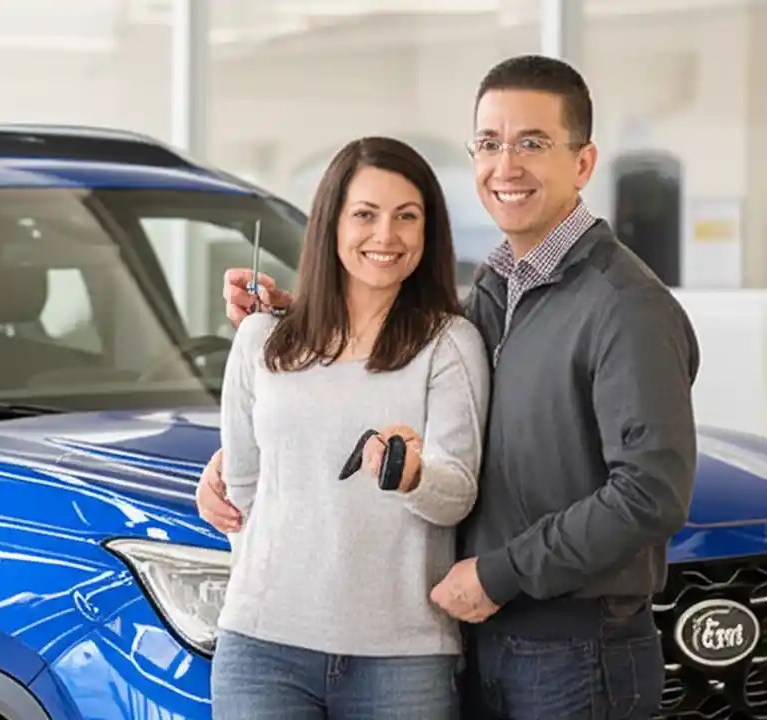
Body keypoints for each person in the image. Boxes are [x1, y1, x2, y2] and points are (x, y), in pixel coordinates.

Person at [199, 55, 700, 719]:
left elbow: (649, 493)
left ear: (583, 164)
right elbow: (379, 342)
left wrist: (500, 573)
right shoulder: (499, 292)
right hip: (485, 638)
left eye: (532, 143)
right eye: (490, 144)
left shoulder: (623, 306)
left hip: (576, 651)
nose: (506, 165)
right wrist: (297, 330)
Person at [208, 135, 489, 720]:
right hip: (263, 651)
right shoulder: (262, 339)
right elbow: (243, 486)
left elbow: (457, 495)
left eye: (406, 218)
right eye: (365, 214)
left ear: (428, 233)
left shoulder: (450, 345)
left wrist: (411, 478)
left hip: (403, 661)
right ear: (330, 225)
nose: (385, 236)